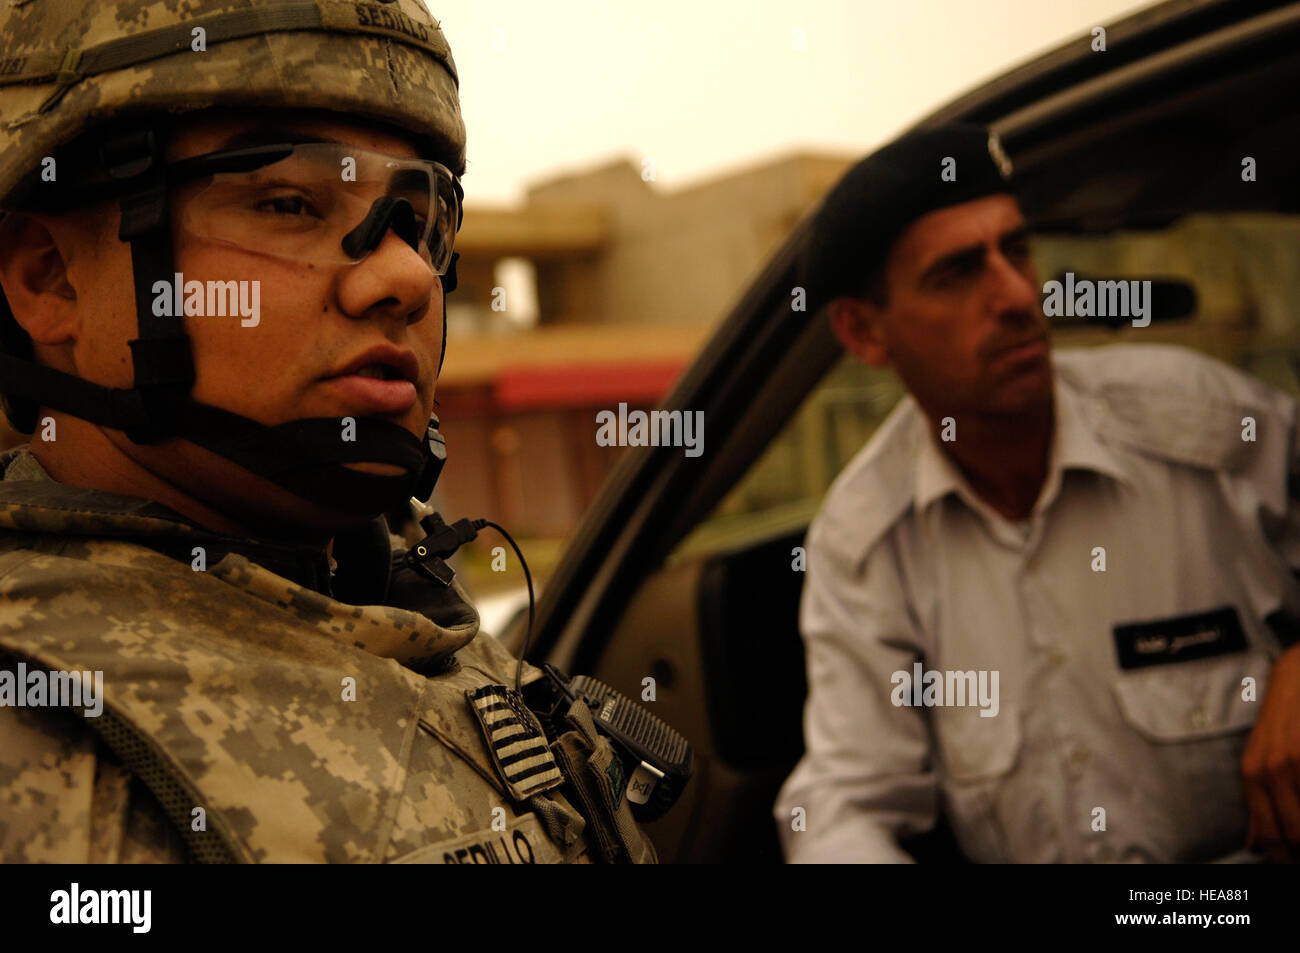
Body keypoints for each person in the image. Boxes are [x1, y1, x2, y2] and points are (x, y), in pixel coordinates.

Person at [0, 0, 656, 864]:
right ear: (51, 279)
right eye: (286, 203)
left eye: (420, 224)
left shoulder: (406, 601)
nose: (405, 276)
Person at [774, 123, 1300, 863]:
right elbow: (844, 801)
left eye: (1016, 250)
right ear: (864, 331)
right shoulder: (865, 538)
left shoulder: (1205, 428)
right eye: (958, 272)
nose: (1020, 295)